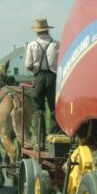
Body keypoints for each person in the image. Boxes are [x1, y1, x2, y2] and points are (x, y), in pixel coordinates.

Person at [25, 18, 61, 150]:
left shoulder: (32, 45)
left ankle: (40, 142)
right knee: (54, 109)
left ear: (37, 32)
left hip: (38, 77)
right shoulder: (56, 44)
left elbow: (28, 65)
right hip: (53, 77)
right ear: (47, 30)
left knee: (38, 109)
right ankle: (54, 140)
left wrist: (35, 67)